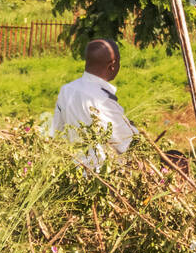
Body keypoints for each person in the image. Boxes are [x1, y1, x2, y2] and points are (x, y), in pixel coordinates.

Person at [50, 38, 138, 168]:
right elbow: (129, 143)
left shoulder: (66, 90)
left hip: (74, 172)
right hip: (102, 175)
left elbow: (57, 132)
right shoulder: (103, 100)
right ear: (112, 66)